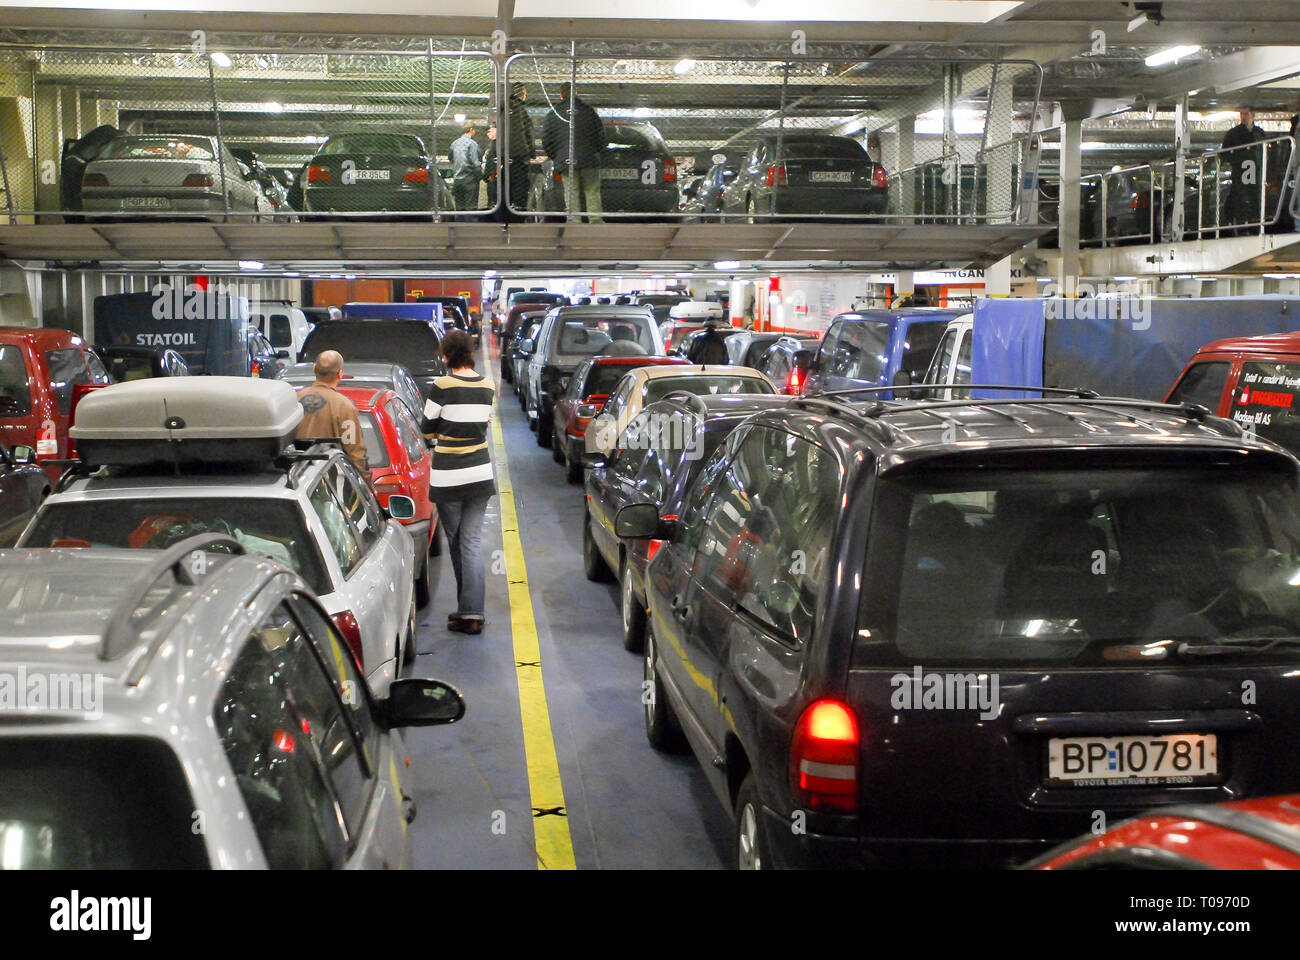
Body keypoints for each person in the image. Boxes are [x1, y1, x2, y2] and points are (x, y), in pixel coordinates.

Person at [422, 330, 496, 634]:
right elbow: (482, 425)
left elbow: (427, 427)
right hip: (479, 473)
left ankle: (469, 611)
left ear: (447, 354)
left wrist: (441, 435)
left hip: (449, 475)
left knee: (457, 542)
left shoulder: (442, 385)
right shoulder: (487, 385)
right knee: (472, 542)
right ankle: (471, 611)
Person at [296, 350, 368, 473]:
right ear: (340, 374)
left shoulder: (294, 399)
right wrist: (364, 483)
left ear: (314, 369)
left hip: (295, 475)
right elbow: (355, 452)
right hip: (329, 478)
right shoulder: (345, 406)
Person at [542, 82, 605, 222]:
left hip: (566, 159)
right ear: (576, 93)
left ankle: (575, 222)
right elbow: (600, 136)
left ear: (561, 95)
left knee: (571, 192)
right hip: (589, 158)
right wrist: (595, 151)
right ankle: (595, 221)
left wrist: (556, 156)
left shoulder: (554, 113)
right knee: (592, 190)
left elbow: (546, 140)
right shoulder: (589, 111)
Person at [1220, 107, 1268, 234]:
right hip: (1241, 171)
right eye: (1241, 114)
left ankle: (1255, 226)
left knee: (1255, 199)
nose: (1243, 116)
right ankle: (1242, 227)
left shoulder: (1259, 133)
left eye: (1246, 114)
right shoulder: (1234, 133)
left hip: (1256, 171)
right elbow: (1224, 153)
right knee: (1240, 198)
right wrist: (1236, 160)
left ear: (1253, 116)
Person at [506, 83, 537, 219]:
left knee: (508, 187)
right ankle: (519, 216)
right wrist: (529, 154)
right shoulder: (520, 110)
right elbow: (526, 133)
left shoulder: (505, 108)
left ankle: (507, 214)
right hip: (519, 156)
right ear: (522, 93)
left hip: (505, 155)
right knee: (520, 188)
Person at [449, 120, 483, 213]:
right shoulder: (472, 144)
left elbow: (451, 159)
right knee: (470, 209)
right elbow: (476, 163)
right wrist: (480, 176)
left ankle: (459, 225)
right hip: (470, 180)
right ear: (471, 129)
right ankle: (469, 226)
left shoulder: (454, 143)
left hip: (457, 180)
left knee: (459, 208)